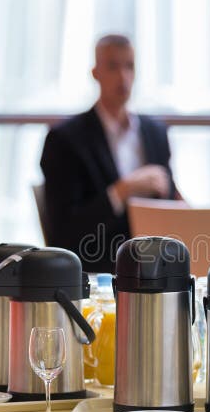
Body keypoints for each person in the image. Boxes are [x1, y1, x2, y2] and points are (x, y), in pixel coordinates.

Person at [41, 34, 181, 272]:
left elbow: (170, 198)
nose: (123, 77)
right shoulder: (65, 139)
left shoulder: (155, 132)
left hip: (159, 265)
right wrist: (121, 191)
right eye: (113, 66)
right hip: (101, 265)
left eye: (129, 66)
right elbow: (63, 233)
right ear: (95, 73)